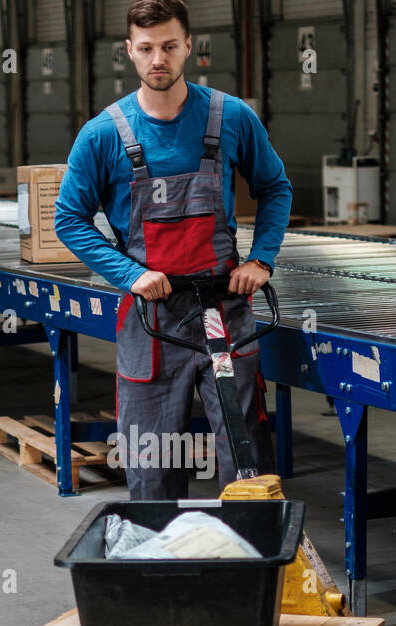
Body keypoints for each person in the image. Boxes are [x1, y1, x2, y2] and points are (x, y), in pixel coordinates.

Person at [54, 0, 292, 500]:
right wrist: (129, 274)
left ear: (189, 46)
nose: (157, 59)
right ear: (130, 52)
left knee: (244, 452)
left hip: (223, 309)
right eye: (146, 49)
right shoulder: (103, 135)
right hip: (152, 318)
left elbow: (275, 187)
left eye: (168, 46)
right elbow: (69, 220)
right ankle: (159, 562)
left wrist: (261, 258)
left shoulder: (231, 118)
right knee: (152, 457)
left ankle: (250, 560)